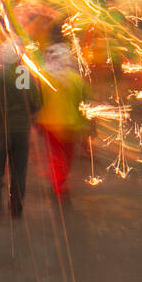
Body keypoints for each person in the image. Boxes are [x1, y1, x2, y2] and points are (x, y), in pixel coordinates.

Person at [0, 39, 42, 222]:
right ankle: (16, 209)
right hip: (22, 130)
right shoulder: (23, 74)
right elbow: (36, 102)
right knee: (19, 170)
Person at [36, 44, 91, 199]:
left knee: (55, 153)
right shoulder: (75, 78)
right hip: (71, 123)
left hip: (50, 123)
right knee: (67, 154)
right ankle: (60, 178)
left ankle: (58, 182)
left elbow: (36, 100)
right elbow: (84, 101)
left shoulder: (43, 78)